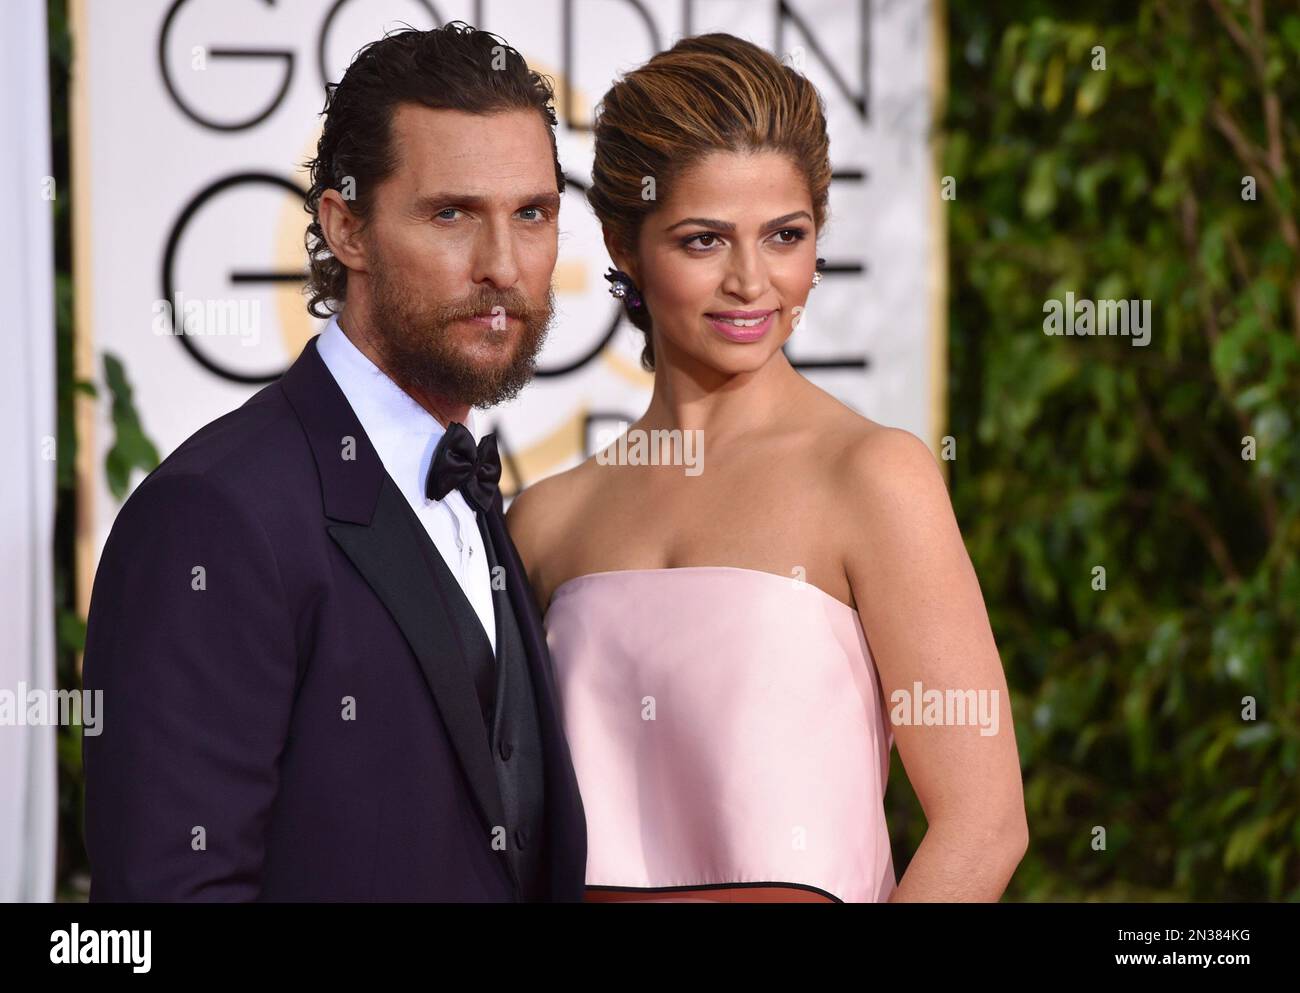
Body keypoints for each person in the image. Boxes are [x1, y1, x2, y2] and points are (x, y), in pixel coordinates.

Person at [507, 33, 1028, 902]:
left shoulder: (872, 477)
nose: (753, 282)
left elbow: (984, 826)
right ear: (624, 244)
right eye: (704, 240)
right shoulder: (546, 522)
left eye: (785, 235)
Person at [81, 22, 586, 901]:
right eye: (452, 213)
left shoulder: (472, 488)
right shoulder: (217, 514)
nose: (504, 265)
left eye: (532, 214)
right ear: (345, 228)